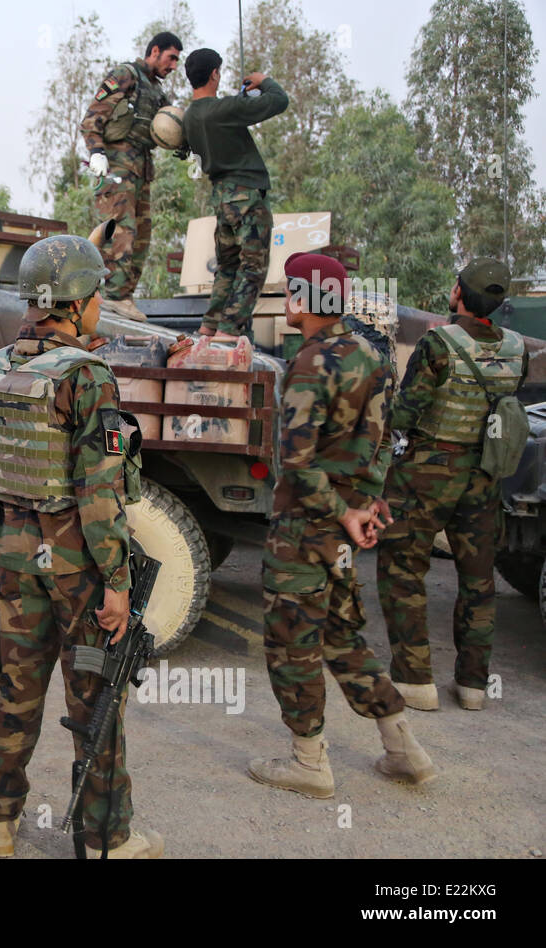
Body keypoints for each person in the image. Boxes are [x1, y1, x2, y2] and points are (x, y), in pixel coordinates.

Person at [0, 234, 158, 860]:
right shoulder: (87, 377)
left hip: (12, 557)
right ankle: (107, 840)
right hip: (75, 567)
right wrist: (116, 583)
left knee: (16, 689)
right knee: (96, 698)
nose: (102, 302)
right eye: (99, 292)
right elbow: (99, 493)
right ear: (78, 302)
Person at [250, 252, 435, 799]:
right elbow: (382, 442)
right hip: (344, 534)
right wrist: (368, 503)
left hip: (306, 529)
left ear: (307, 301)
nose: (286, 301)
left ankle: (309, 764)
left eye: (290, 292)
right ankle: (404, 748)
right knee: (339, 633)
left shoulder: (310, 364)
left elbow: (298, 462)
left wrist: (344, 512)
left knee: (292, 643)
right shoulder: (371, 356)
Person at [376, 258, 526, 712]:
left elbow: (405, 412)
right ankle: (473, 685)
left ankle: (414, 679)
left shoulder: (438, 343)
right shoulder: (517, 348)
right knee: (478, 581)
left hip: (427, 475)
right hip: (483, 477)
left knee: (404, 571)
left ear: (458, 292)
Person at [180, 48, 288, 341]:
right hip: (247, 195)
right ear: (215, 73)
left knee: (227, 267)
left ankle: (209, 327)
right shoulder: (224, 109)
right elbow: (279, 101)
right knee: (254, 266)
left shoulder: (190, 117)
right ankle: (229, 331)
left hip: (221, 198)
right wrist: (264, 81)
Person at [80, 32, 182, 322]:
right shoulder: (126, 75)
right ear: (155, 51)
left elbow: (167, 130)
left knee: (141, 235)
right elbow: (93, 118)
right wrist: (96, 152)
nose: (173, 65)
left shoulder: (156, 91)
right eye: (171, 57)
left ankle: (122, 295)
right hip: (116, 168)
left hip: (141, 171)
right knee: (120, 232)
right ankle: (113, 295)